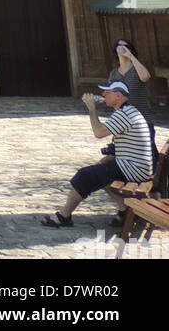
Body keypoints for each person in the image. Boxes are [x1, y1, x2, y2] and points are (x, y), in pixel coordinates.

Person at [40, 79, 153, 228]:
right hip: (136, 167)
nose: (103, 94)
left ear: (118, 96)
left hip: (134, 169)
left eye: (108, 92)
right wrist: (104, 162)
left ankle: (63, 216)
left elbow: (99, 132)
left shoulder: (124, 114)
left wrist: (92, 109)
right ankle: (124, 211)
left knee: (85, 176)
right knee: (100, 170)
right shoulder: (127, 111)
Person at [107, 38, 158, 167]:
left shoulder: (137, 69)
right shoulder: (114, 74)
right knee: (122, 155)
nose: (122, 48)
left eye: (126, 46)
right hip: (122, 121)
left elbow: (145, 76)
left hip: (142, 119)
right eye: (119, 46)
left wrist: (130, 56)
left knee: (149, 156)